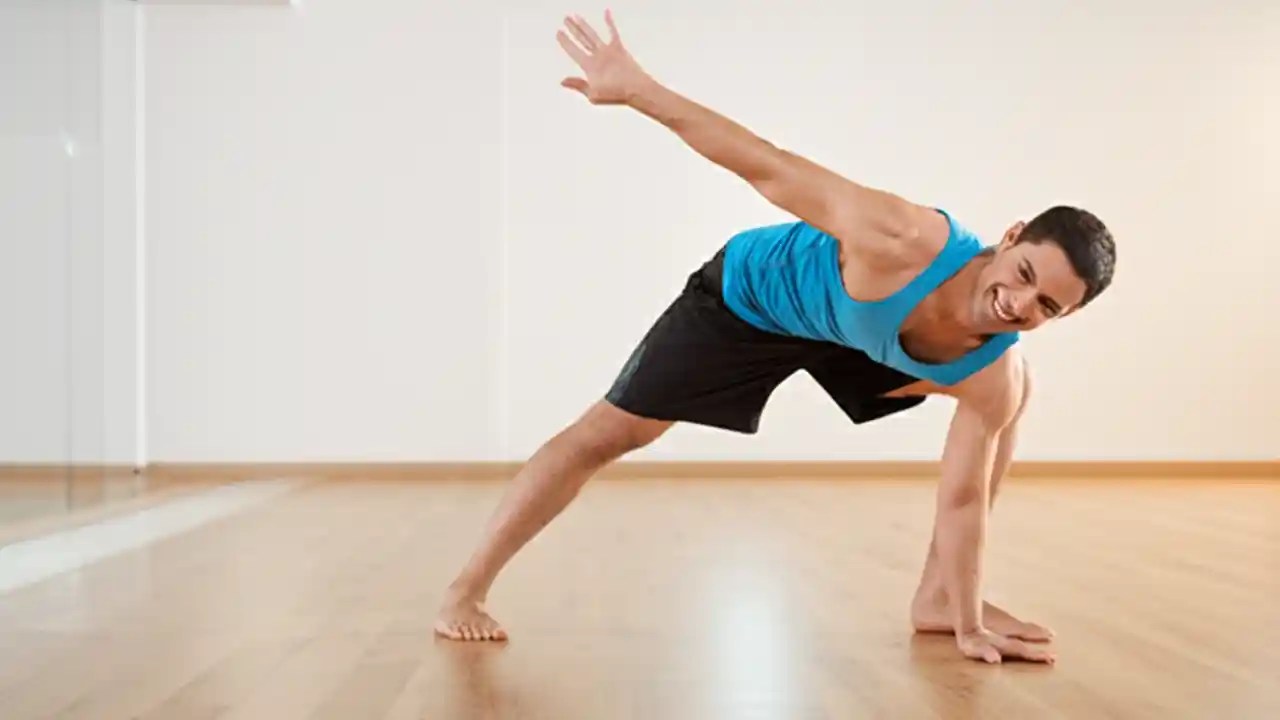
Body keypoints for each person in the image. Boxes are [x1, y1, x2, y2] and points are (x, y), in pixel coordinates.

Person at [434, 11, 1115, 666]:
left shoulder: (991, 367)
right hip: (750, 301)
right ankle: (466, 589)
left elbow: (962, 495)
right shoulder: (901, 236)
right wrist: (638, 90)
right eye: (1024, 274)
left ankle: (941, 598)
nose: (1017, 304)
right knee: (611, 434)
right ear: (1011, 236)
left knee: (1007, 400)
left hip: (848, 335)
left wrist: (968, 626)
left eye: (1046, 307)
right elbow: (766, 165)